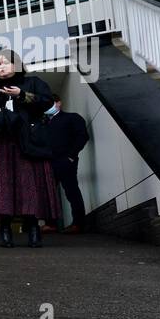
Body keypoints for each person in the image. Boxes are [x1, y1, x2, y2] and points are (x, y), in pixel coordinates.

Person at [0, 50, 58, 247]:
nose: (2, 66)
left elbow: (47, 102)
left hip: (27, 144)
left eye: (6, 62)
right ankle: (5, 230)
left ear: (16, 64)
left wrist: (22, 95)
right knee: (2, 187)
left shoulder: (32, 82)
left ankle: (33, 229)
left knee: (29, 186)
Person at [45, 94, 89, 233]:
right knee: (48, 194)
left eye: (50, 103)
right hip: (47, 162)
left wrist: (71, 156)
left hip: (66, 161)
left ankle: (78, 224)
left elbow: (82, 136)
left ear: (59, 103)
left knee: (71, 191)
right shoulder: (42, 123)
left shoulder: (72, 118)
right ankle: (50, 224)